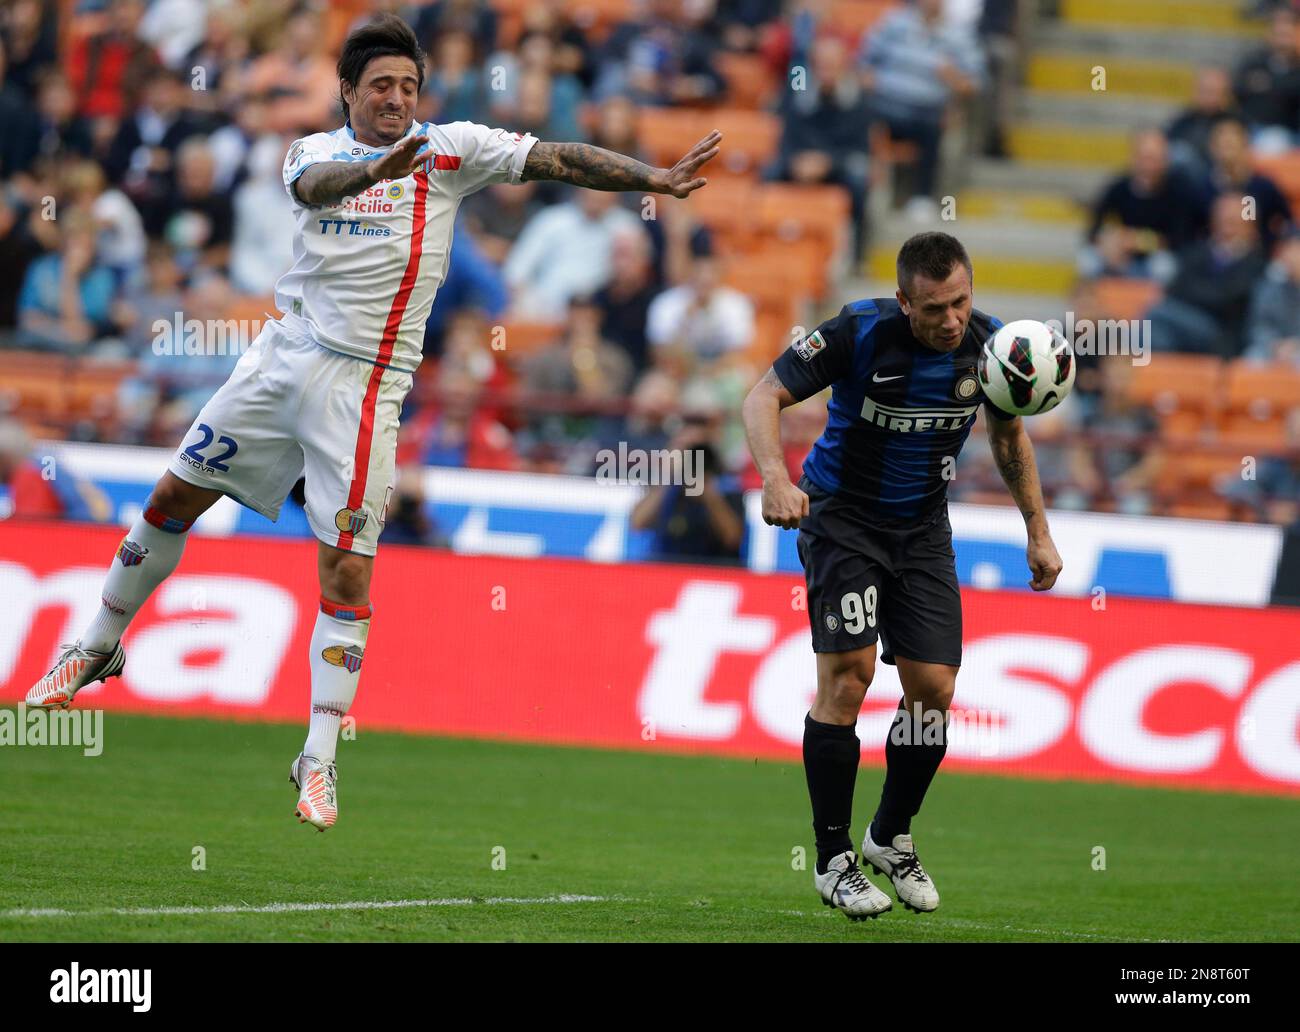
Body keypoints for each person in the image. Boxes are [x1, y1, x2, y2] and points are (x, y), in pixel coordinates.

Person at [23, 14, 722, 832]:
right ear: (348, 91)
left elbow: (556, 158)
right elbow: (317, 189)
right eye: (381, 85)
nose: (397, 99)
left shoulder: (451, 149)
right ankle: (97, 643)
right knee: (172, 497)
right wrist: (372, 172)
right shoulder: (311, 153)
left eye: (409, 86)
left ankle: (317, 758)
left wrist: (653, 178)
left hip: (364, 386)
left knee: (348, 573)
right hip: (281, 359)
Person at [740, 232, 1063, 920]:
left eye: (960, 302)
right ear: (904, 301)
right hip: (842, 518)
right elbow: (763, 396)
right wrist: (774, 478)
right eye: (934, 308)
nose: (951, 320)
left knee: (934, 691)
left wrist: (1037, 530)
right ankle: (833, 859)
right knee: (849, 677)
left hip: (922, 529)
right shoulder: (858, 331)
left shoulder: (993, 347)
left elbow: (1008, 436)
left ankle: (889, 835)